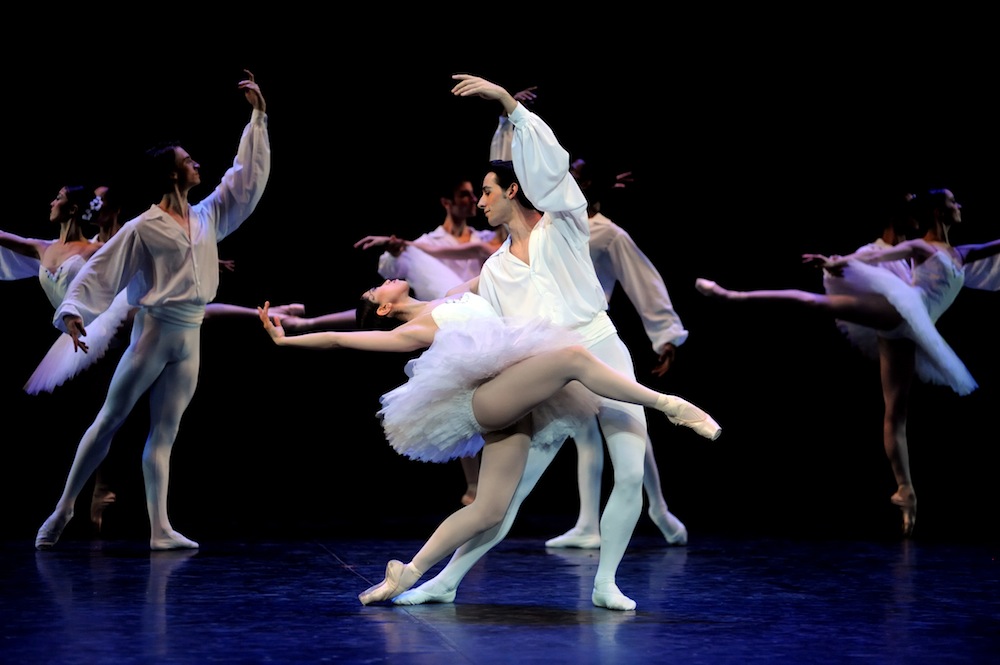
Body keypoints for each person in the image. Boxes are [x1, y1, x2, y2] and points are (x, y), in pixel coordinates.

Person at [395, 74, 722, 612]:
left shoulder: (566, 225)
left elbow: (550, 167)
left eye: (487, 192)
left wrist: (509, 108)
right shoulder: (495, 268)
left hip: (601, 348)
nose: (480, 202)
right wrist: (402, 310)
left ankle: (606, 581)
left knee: (629, 469)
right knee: (510, 494)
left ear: (513, 192)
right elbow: (458, 308)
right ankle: (446, 580)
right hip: (551, 371)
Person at [254, 280, 719, 606]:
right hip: (489, 400)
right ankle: (669, 405)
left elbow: (503, 264)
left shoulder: (451, 296)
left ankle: (409, 573)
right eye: (378, 289)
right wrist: (287, 340)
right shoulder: (413, 329)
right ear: (383, 308)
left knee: (491, 510)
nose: (386, 280)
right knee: (574, 358)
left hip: (510, 399)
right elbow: (341, 339)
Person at [33, 69, 270, 551]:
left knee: (166, 431)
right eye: (188, 161)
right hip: (153, 332)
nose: (196, 164)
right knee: (110, 419)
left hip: (190, 335)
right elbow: (101, 270)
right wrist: (73, 310)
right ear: (172, 173)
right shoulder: (143, 227)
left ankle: (160, 528)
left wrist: (258, 119)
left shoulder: (206, 216)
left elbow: (243, 182)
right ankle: (63, 508)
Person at [695, 188, 999, 536]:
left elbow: (995, 245)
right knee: (813, 303)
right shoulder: (920, 247)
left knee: (896, 412)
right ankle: (731, 295)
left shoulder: (961, 252)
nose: (959, 206)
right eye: (952, 202)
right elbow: (877, 257)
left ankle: (906, 491)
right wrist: (833, 262)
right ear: (937, 212)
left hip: (912, 329)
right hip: (900, 310)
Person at [493, 100, 692, 548]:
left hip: (591, 336)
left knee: (623, 423)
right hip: (555, 339)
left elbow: (643, 279)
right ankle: (588, 523)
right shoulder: (545, 225)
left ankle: (657, 508)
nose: (567, 177)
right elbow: (512, 179)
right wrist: (508, 124)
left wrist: (665, 335)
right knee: (584, 430)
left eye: (577, 175)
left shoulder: (602, 231)